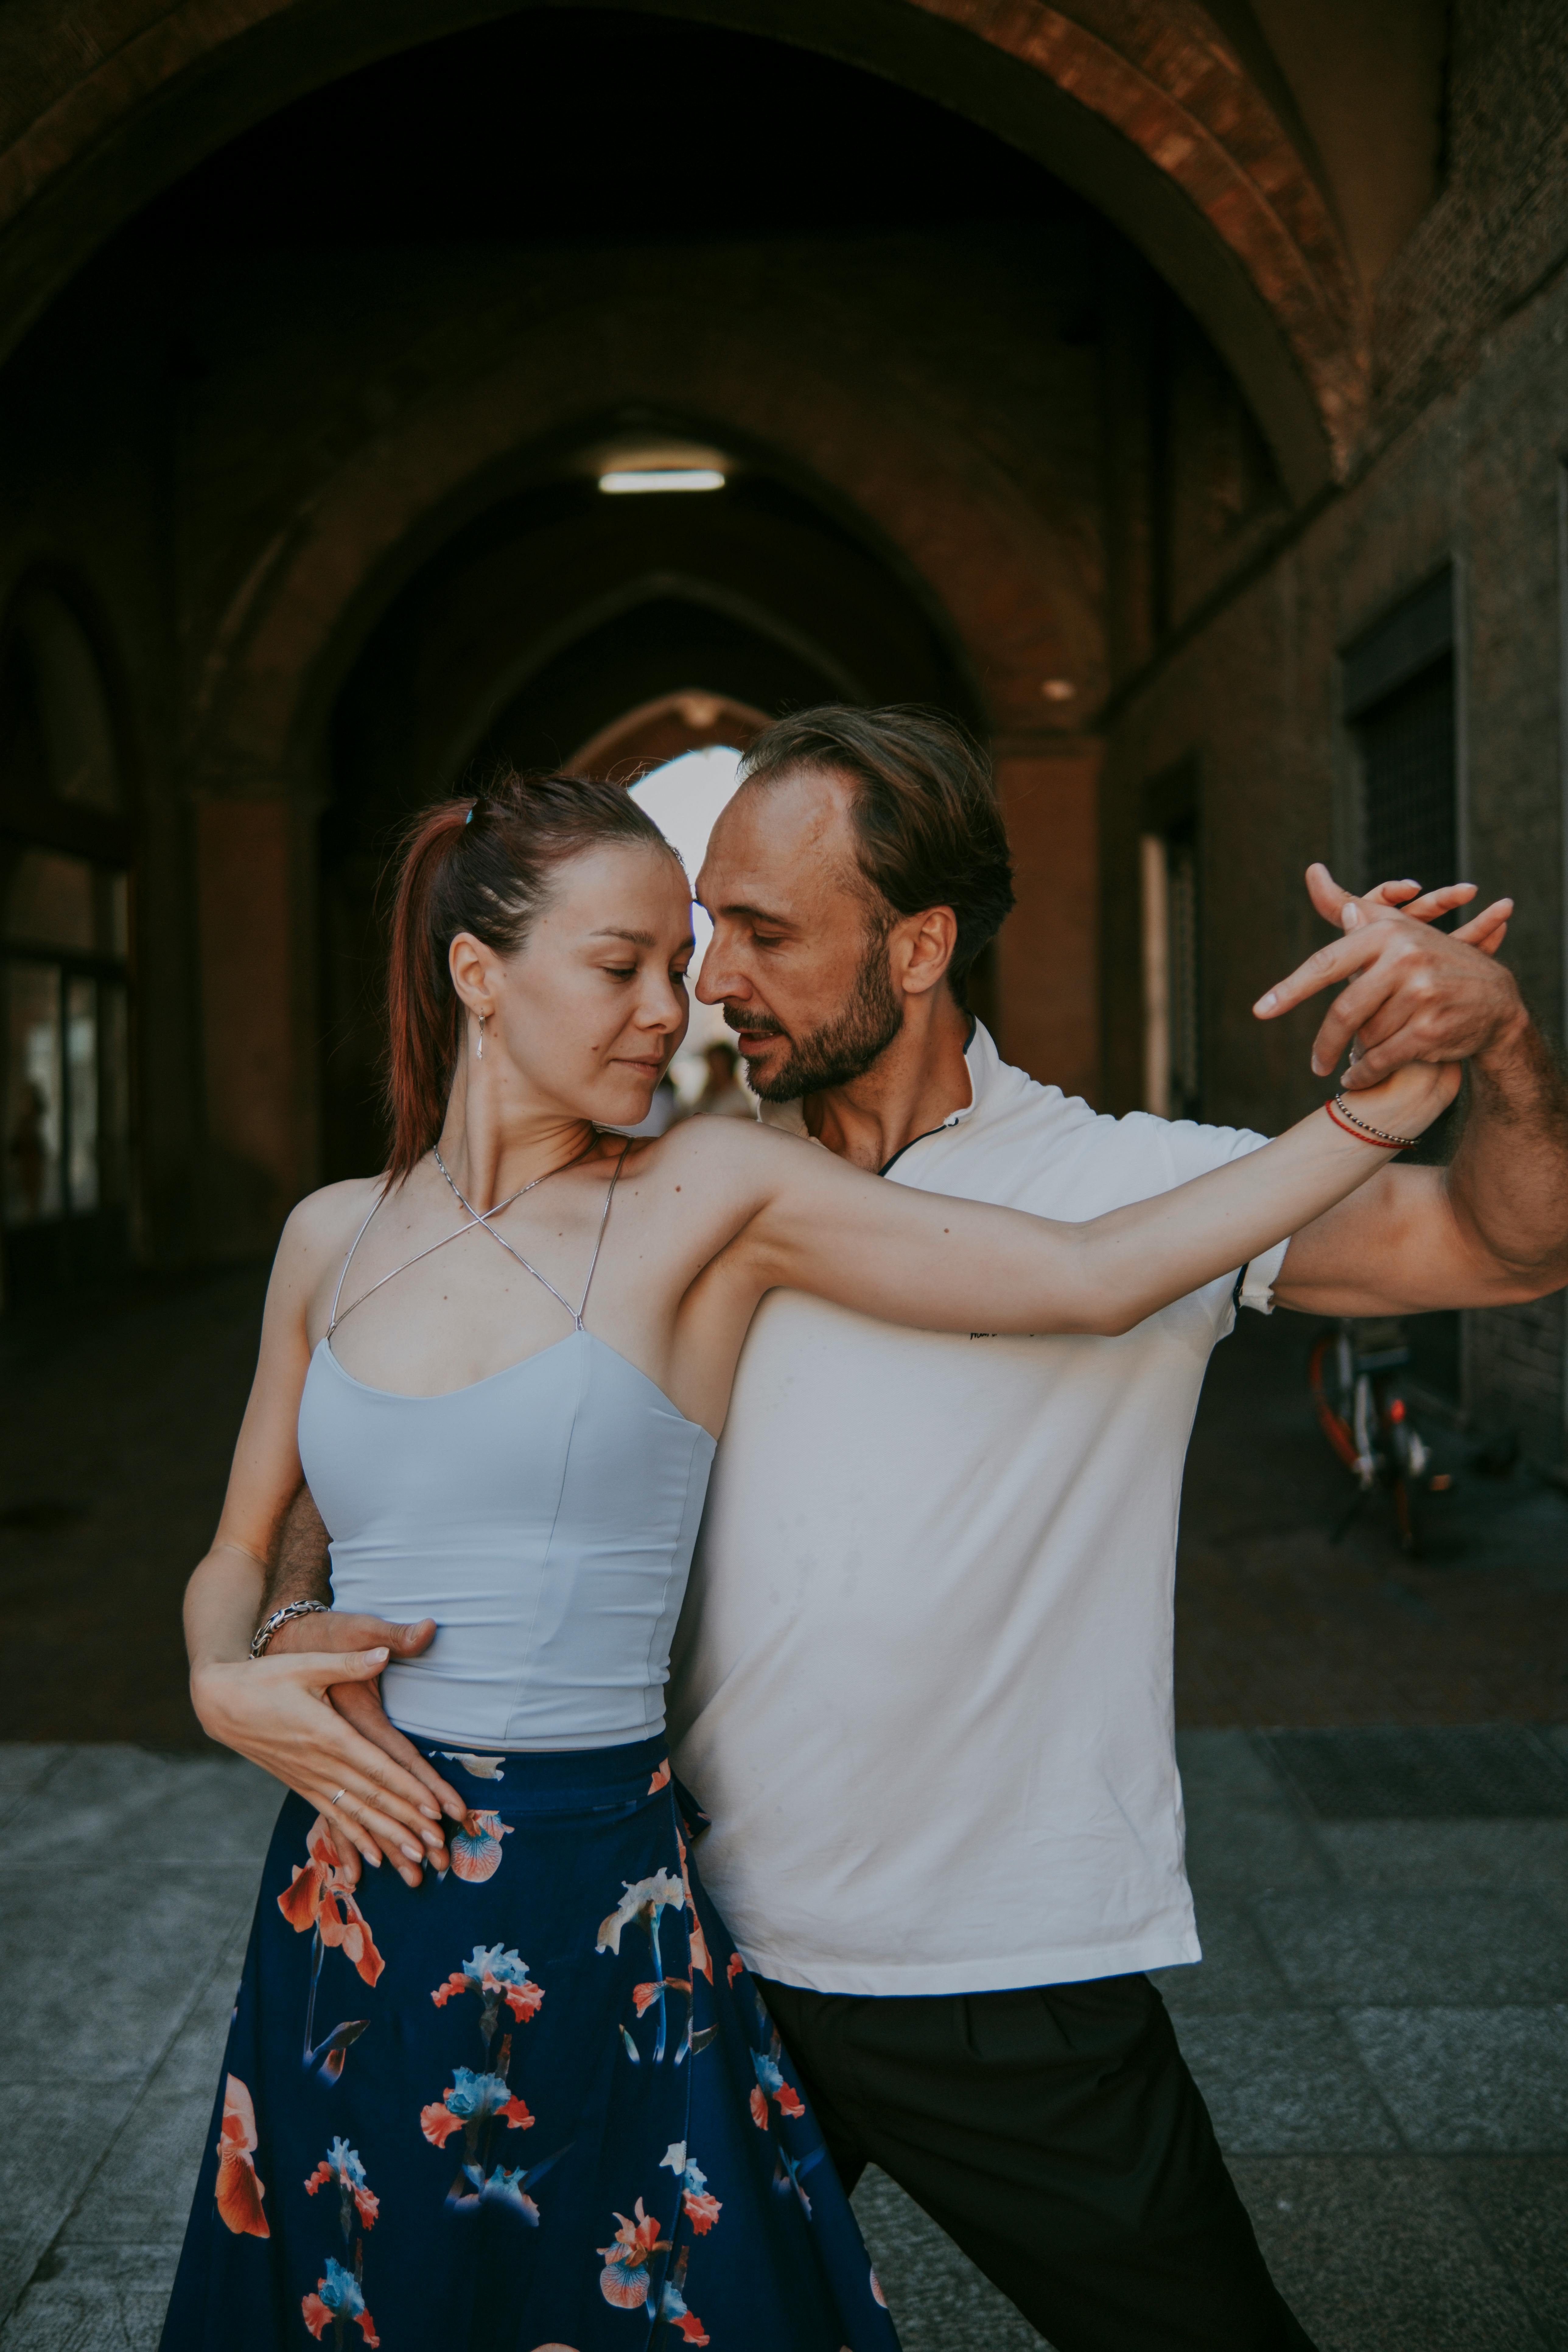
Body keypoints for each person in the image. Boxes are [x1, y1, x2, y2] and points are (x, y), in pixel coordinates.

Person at [166, 763, 1456, 2352]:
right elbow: (238, 1549)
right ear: (476, 973)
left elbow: (1090, 1271)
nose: (676, 1006)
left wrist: (1372, 1118)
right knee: (385, 2306)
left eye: (685, 953)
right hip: (351, 1888)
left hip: (605, 1883)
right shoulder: (326, 1234)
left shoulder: (713, 1184)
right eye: (623, 965)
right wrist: (230, 1673)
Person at [692, 1038, 755, 1121]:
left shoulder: (737, 1097)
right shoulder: (707, 1093)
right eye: (711, 1063)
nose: (714, 1069)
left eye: (718, 1064)